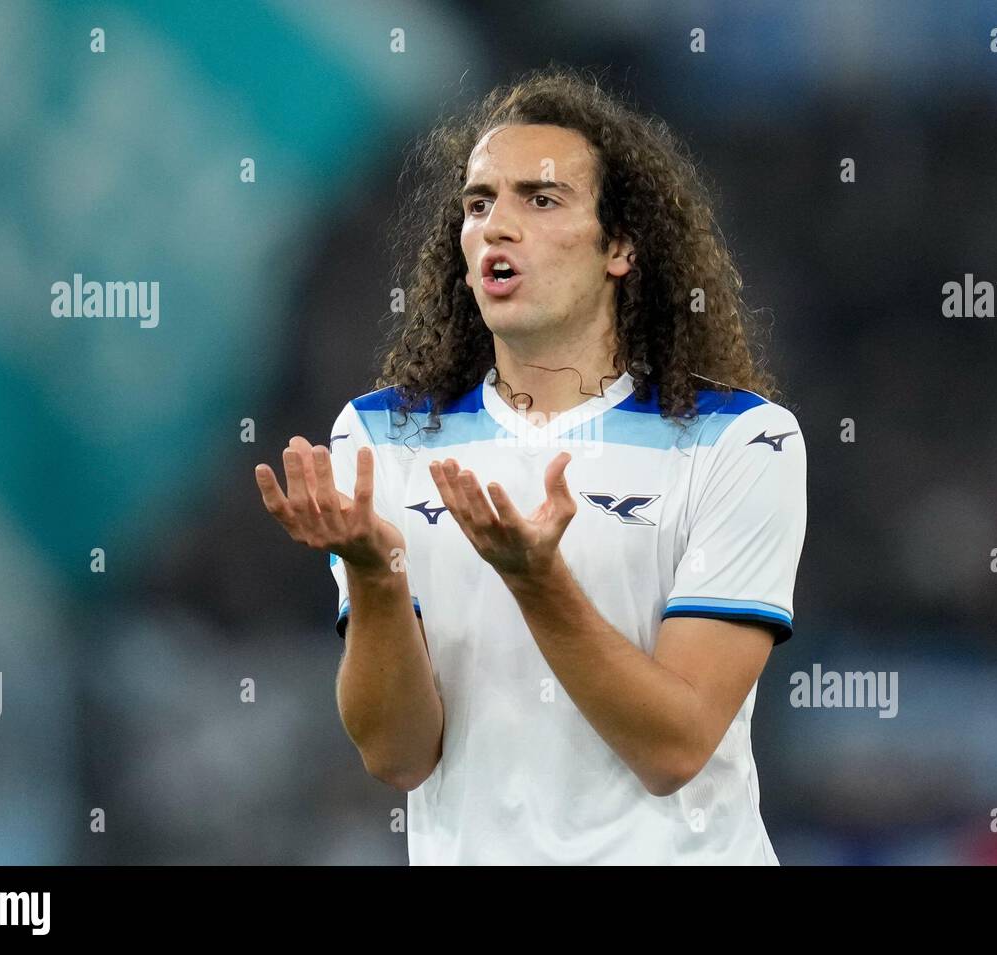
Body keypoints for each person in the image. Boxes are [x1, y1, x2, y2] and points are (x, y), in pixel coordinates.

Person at [254, 69, 807, 864]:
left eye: (540, 200)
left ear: (620, 246)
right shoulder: (381, 437)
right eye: (479, 204)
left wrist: (536, 578)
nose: (497, 226)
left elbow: (673, 748)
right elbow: (398, 756)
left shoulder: (740, 441)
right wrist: (377, 574)